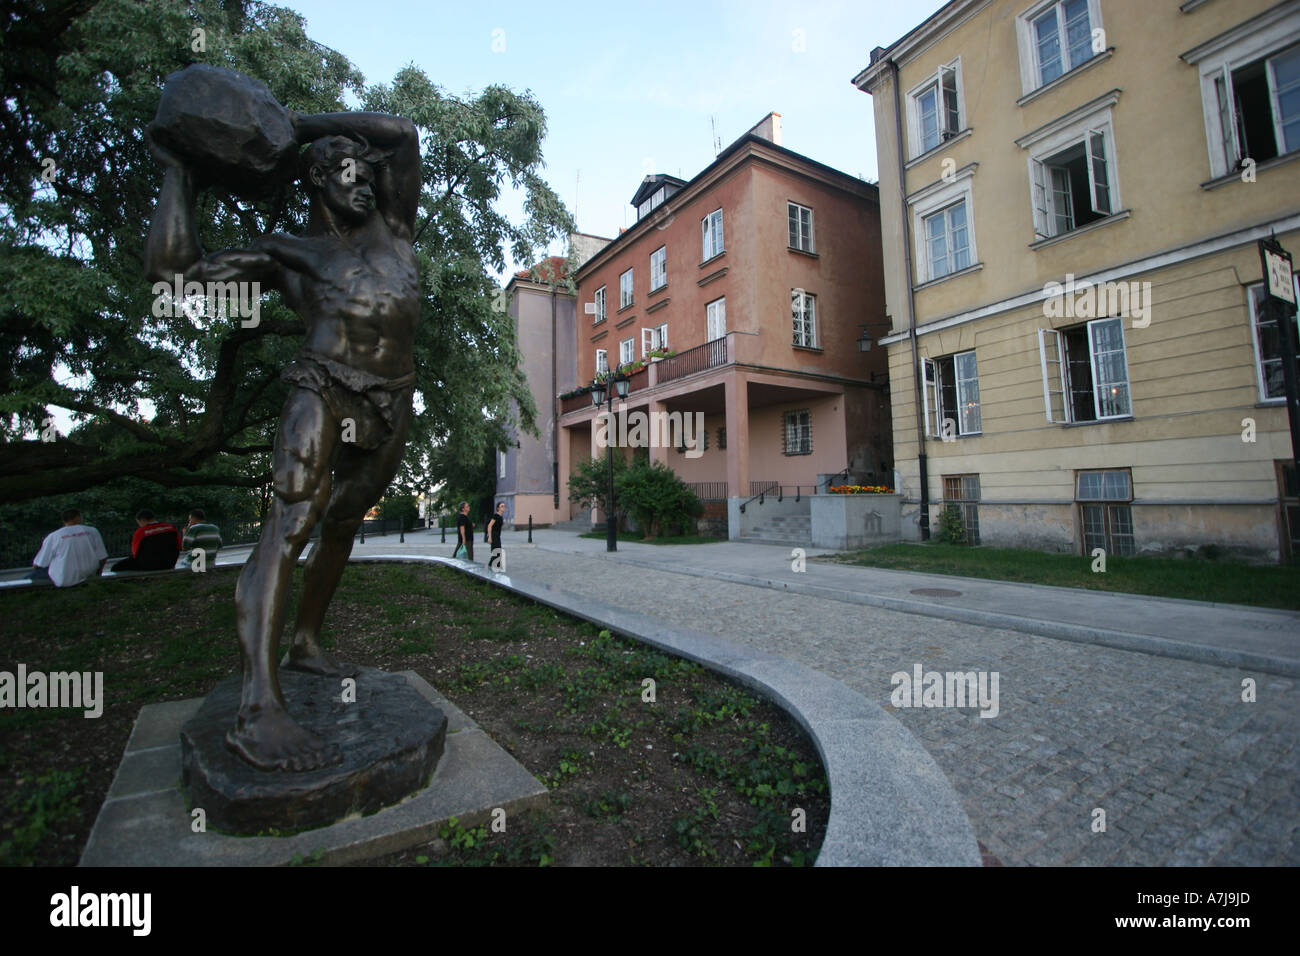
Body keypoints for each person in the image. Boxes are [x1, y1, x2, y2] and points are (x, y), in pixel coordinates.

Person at [146, 104, 421, 770]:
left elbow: (404, 133)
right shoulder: (289, 253)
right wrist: (177, 170)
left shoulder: (395, 226)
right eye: (348, 175)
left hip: (393, 393)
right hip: (322, 384)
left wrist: (289, 121)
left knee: (345, 518)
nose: (362, 184)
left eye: (366, 173)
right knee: (291, 521)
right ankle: (258, 706)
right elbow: (174, 277)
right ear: (317, 182)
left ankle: (306, 642)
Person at [30, 509, 108, 587]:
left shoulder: (54, 536)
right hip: (89, 574)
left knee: (32, 576)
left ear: (64, 520)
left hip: (64, 579)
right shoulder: (92, 531)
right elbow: (102, 557)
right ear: (78, 517)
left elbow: (39, 564)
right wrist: (98, 572)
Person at [110, 509, 182, 572]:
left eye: (139, 523)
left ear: (142, 520)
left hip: (149, 565)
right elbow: (179, 545)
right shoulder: (171, 528)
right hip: (170, 562)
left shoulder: (141, 532)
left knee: (116, 567)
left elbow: (135, 552)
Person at [485, 501, 506, 569]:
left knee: (497, 551)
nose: (504, 507)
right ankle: (492, 566)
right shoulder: (496, 516)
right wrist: (490, 537)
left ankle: (495, 565)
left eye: (504, 506)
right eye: (502, 506)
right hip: (494, 535)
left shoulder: (500, 516)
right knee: (496, 551)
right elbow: (489, 526)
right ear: (498, 508)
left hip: (497, 535)